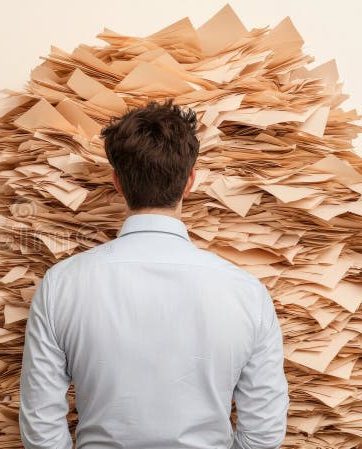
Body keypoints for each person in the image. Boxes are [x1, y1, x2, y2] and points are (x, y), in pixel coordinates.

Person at [18, 100, 289, 449]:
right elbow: (263, 432)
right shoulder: (246, 292)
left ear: (117, 182)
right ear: (190, 182)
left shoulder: (61, 284)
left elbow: (41, 428)